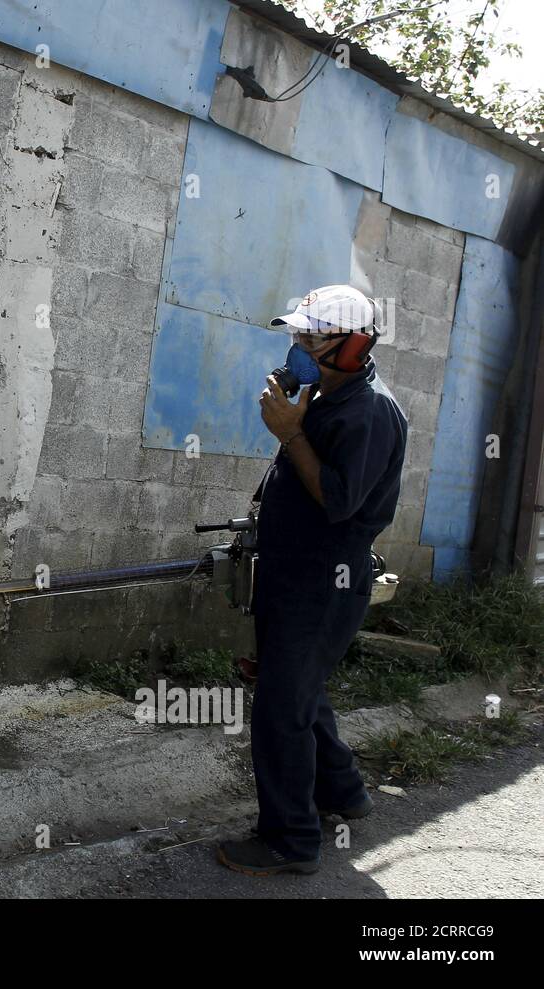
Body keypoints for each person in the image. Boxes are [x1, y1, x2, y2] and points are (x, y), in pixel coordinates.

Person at [217, 284, 408, 877]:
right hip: (294, 575)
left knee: (281, 709)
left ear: (351, 348)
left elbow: (340, 502)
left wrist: (290, 433)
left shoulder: (368, 411)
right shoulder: (326, 397)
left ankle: (289, 841)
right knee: (301, 693)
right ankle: (344, 793)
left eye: (311, 336)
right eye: (295, 334)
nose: (297, 345)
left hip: (324, 584)